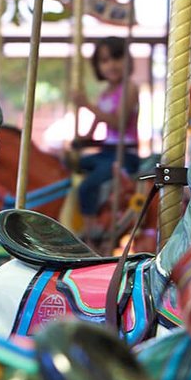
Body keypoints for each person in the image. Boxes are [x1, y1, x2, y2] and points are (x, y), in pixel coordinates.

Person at [72, 36, 141, 239]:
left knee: (88, 185)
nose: (111, 65)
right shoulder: (104, 93)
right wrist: (79, 142)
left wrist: (86, 105)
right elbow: (93, 133)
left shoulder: (129, 88)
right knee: (67, 168)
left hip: (124, 154)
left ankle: (92, 233)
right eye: (104, 60)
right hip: (106, 152)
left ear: (127, 60)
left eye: (116, 58)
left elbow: (117, 123)